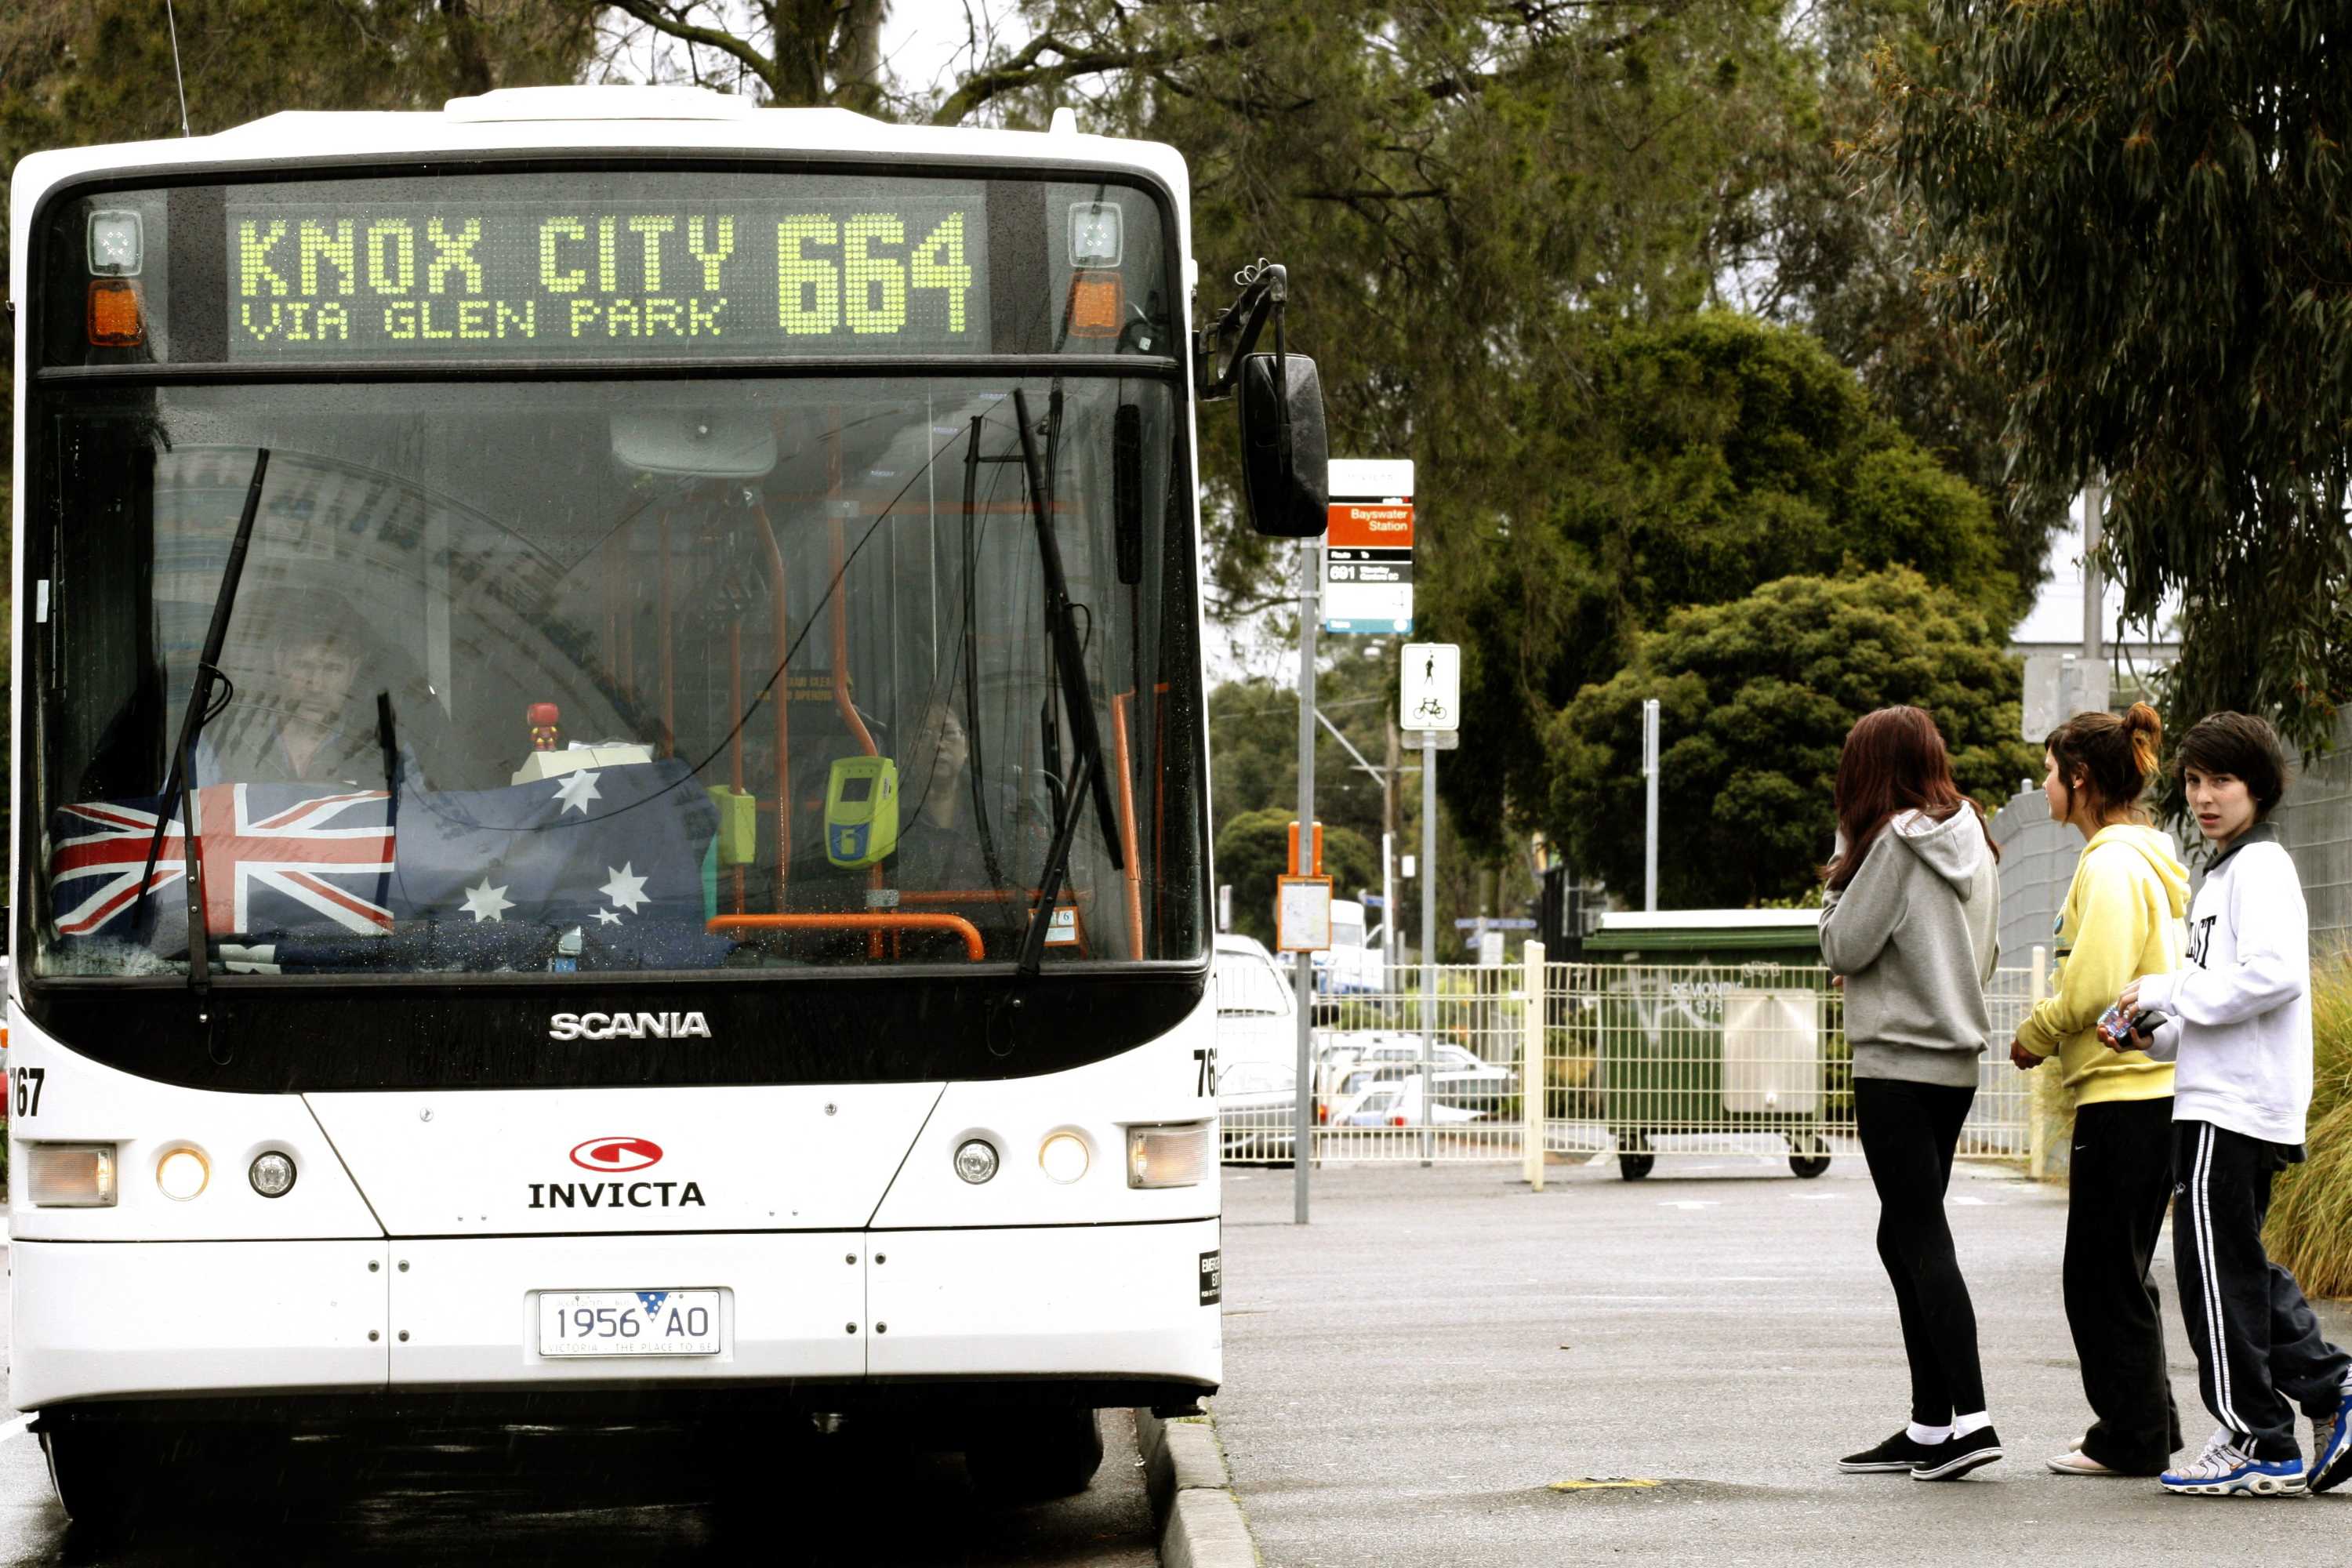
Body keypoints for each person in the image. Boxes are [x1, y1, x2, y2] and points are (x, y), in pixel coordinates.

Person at [2111, 712, 2352, 1497]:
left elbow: (2276, 976)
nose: (2206, 796)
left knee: (2212, 1272)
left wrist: (2165, 987)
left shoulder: (2263, 868)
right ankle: (2331, 1389)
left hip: (2239, 1104)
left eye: (2223, 780)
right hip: (2214, 1094)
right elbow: (2214, 1004)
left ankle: (2259, 1437)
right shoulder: (2217, 877)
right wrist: (2154, 1031)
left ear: (2258, 786)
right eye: (2193, 780)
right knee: (2233, 1264)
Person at [1820, 706, 2005, 1482]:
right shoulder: (1976, 836)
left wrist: (1841, 864)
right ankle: (1932, 1422)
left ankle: (1971, 1416)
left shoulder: (1893, 842)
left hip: (1895, 1061)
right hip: (1954, 1062)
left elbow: (1842, 942)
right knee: (1902, 1235)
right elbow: (1986, 952)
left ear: (1873, 770)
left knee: (1919, 1234)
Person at [2009, 703, 2189, 1477]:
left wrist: (2040, 1029)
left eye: (2051, 770)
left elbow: (2095, 978)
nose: (2046, 783)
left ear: (2080, 777)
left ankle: (2133, 1434)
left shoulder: (2111, 863)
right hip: (2147, 1089)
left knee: (2099, 1273)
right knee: (2117, 1266)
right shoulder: (2141, 854)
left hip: (2126, 1092)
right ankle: (2149, 1423)